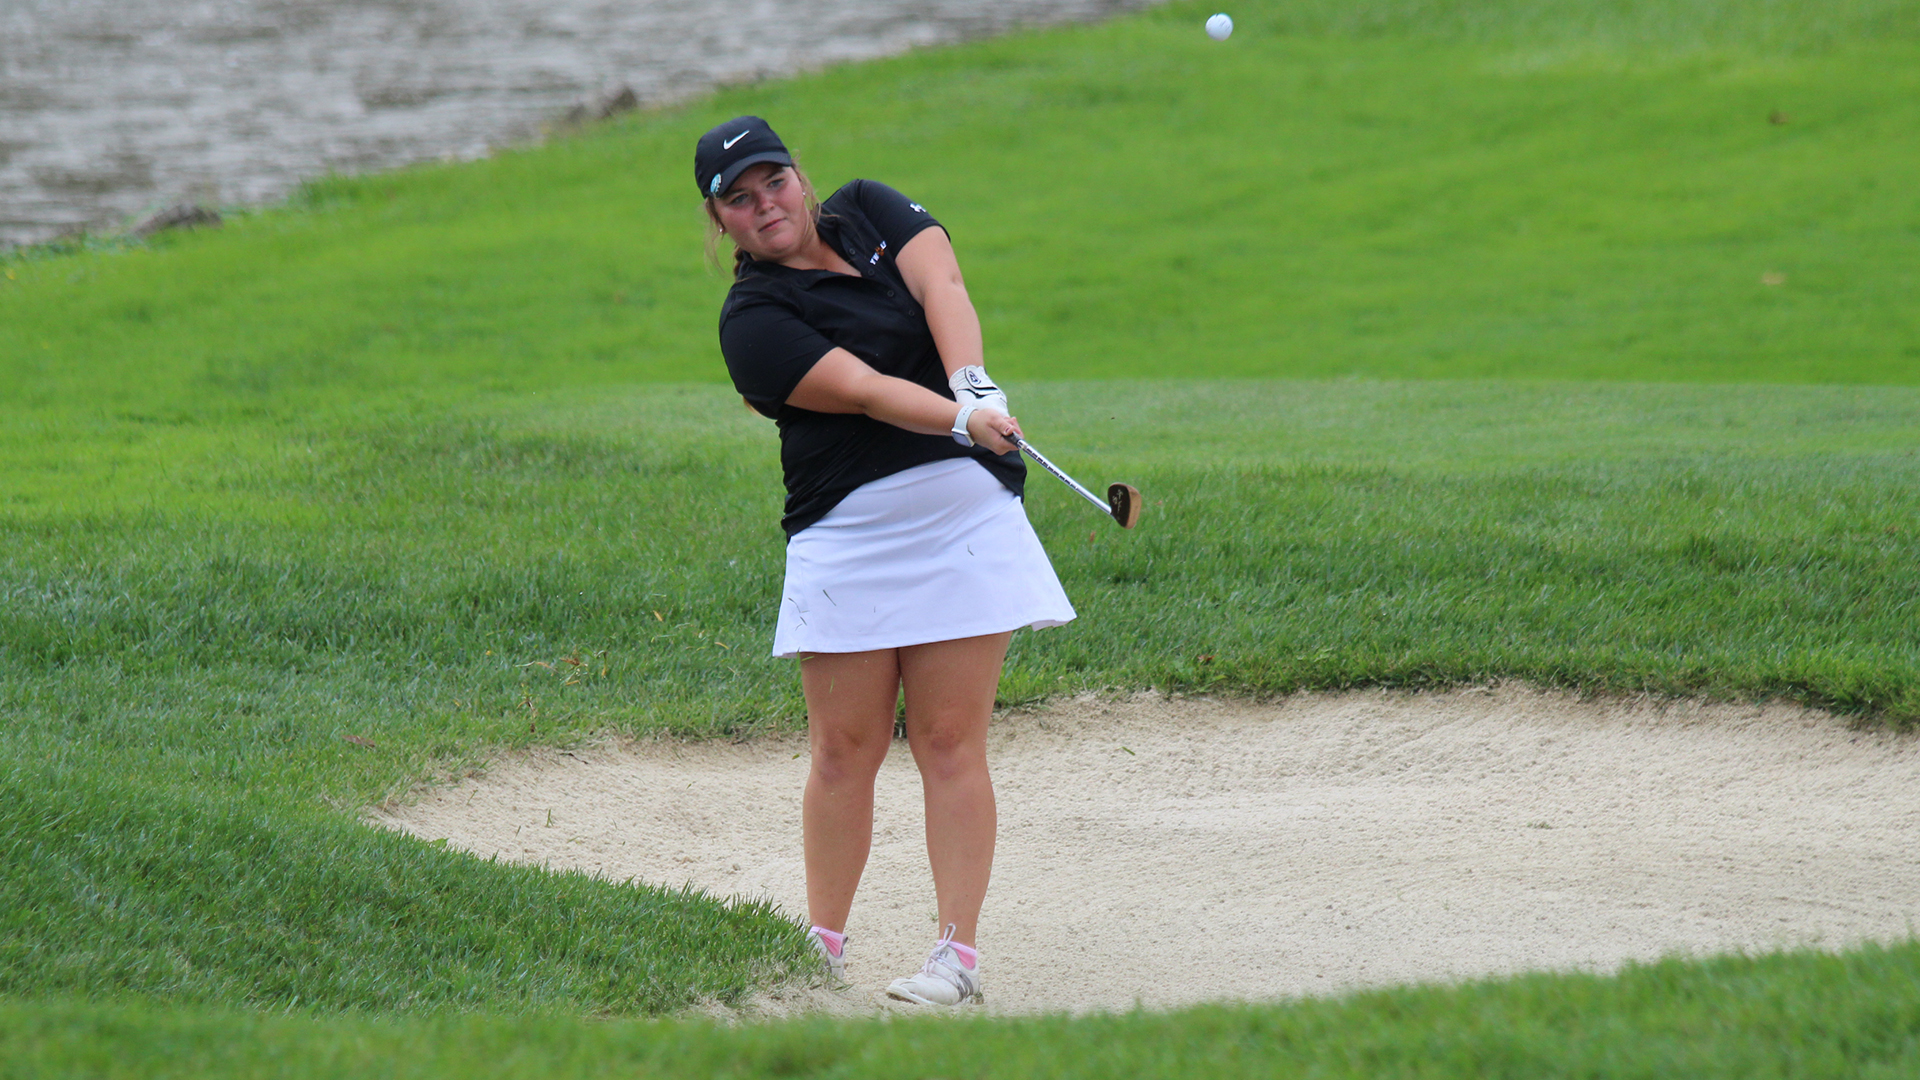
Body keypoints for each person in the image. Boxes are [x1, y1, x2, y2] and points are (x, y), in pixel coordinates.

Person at [697, 116, 1075, 1006]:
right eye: (740, 202)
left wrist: (973, 380)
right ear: (721, 224)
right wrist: (958, 416)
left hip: (963, 517)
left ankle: (957, 957)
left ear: (799, 176)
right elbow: (862, 391)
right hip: (848, 532)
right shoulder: (752, 318)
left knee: (949, 741)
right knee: (844, 747)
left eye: (774, 183)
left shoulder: (867, 210)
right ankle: (819, 944)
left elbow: (941, 279)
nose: (766, 207)